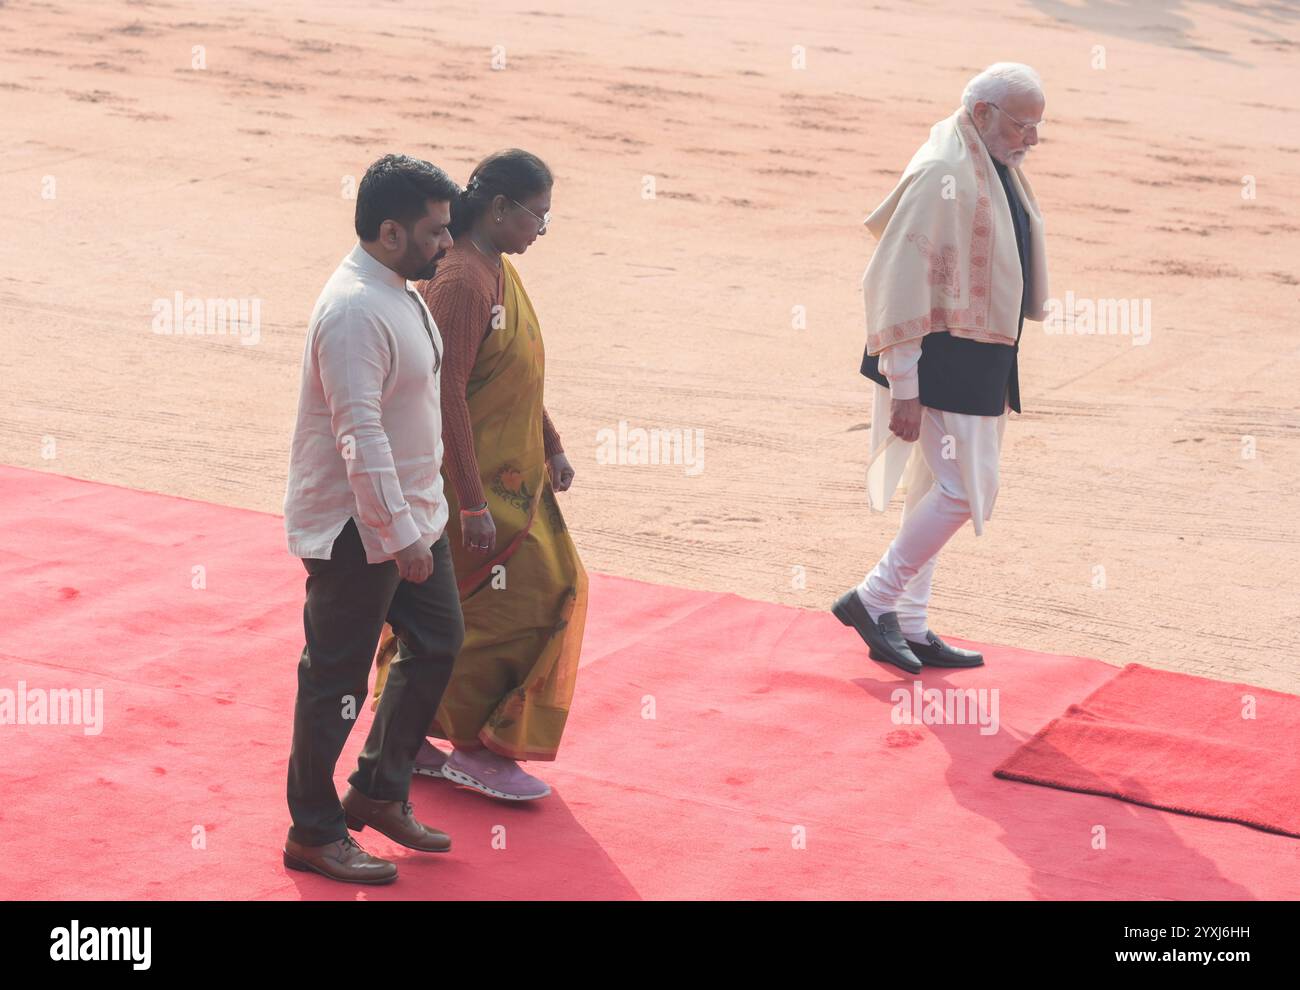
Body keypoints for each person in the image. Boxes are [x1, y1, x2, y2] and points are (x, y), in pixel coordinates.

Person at [371, 149, 587, 801]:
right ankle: (470, 745)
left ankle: (421, 738)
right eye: (537, 218)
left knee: (509, 600)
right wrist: (470, 502)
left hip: (515, 476)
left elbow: (515, 370)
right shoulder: (463, 281)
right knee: (514, 604)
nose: (540, 233)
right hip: (470, 487)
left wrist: (549, 442)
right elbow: (448, 394)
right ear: (499, 209)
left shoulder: (494, 267)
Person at [281, 153, 465, 884]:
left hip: (413, 517)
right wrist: (398, 539)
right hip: (362, 530)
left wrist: (421, 523)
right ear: (390, 232)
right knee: (336, 683)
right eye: (435, 232)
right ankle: (313, 832)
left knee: (440, 641)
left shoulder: (397, 287)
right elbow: (359, 435)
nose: (448, 244)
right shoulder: (356, 310)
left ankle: (380, 789)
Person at [833, 63, 1050, 674]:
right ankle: (873, 599)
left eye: (1038, 127)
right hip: (943, 361)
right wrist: (905, 384)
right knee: (963, 491)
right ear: (982, 113)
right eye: (1022, 124)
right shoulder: (943, 173)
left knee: (936, 489)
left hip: (980, 358)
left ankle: (912, 621)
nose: (1031, 139)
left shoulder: (987, 161)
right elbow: (893, 282)